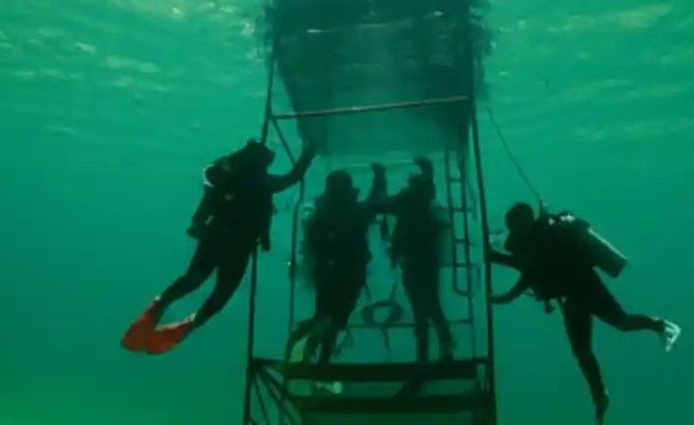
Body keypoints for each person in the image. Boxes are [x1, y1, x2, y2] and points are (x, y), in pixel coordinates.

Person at [487, 202, 681, 424]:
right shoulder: (539, 238)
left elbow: (529, 274)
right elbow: (528, 267)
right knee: (589, 346)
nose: (514, 232)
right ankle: (599, 396)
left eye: (514, 226)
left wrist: (506, 294)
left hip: (583, 289)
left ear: (522, 222)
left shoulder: (541, 239)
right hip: (577, 293)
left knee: (612, 330)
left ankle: (661, 326)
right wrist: (496, 258)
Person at [122, 139, 318, 355]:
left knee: (191, 280)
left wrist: (197, 224)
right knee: (222, 293)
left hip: (214, 237)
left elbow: (207, 202)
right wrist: (308, 154)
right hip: (240, 246)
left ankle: (155, 309)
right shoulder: (263, 182)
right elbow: (293, 177)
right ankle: (189, 324)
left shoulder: (225, 177)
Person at [286, 164, 388, 365]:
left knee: (327, 314)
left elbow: (310, 243)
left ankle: (314, 348)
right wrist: (379, 178)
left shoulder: (322, 212)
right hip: (350, 272)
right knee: (336, 317)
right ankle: (313, 345)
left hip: (325, 272)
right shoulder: (355, 210)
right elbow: (376, 203)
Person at [380, 156, 453, 395]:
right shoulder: (417, 203)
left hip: (417, 263)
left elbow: (387, 204)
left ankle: (428, 360)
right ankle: (443, 347)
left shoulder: (412, 202)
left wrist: (427, 169)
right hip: (419, 263)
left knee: (425, 310)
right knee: (429, 307)